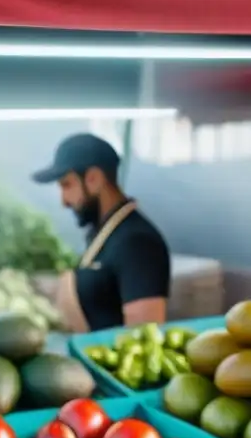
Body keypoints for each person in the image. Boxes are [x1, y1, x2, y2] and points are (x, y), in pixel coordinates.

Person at [32, 133, 170, 333]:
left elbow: (144, 337)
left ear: (93, 179)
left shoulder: (137, 243)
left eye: (67, 185)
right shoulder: (104, 234)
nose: (64, 201)